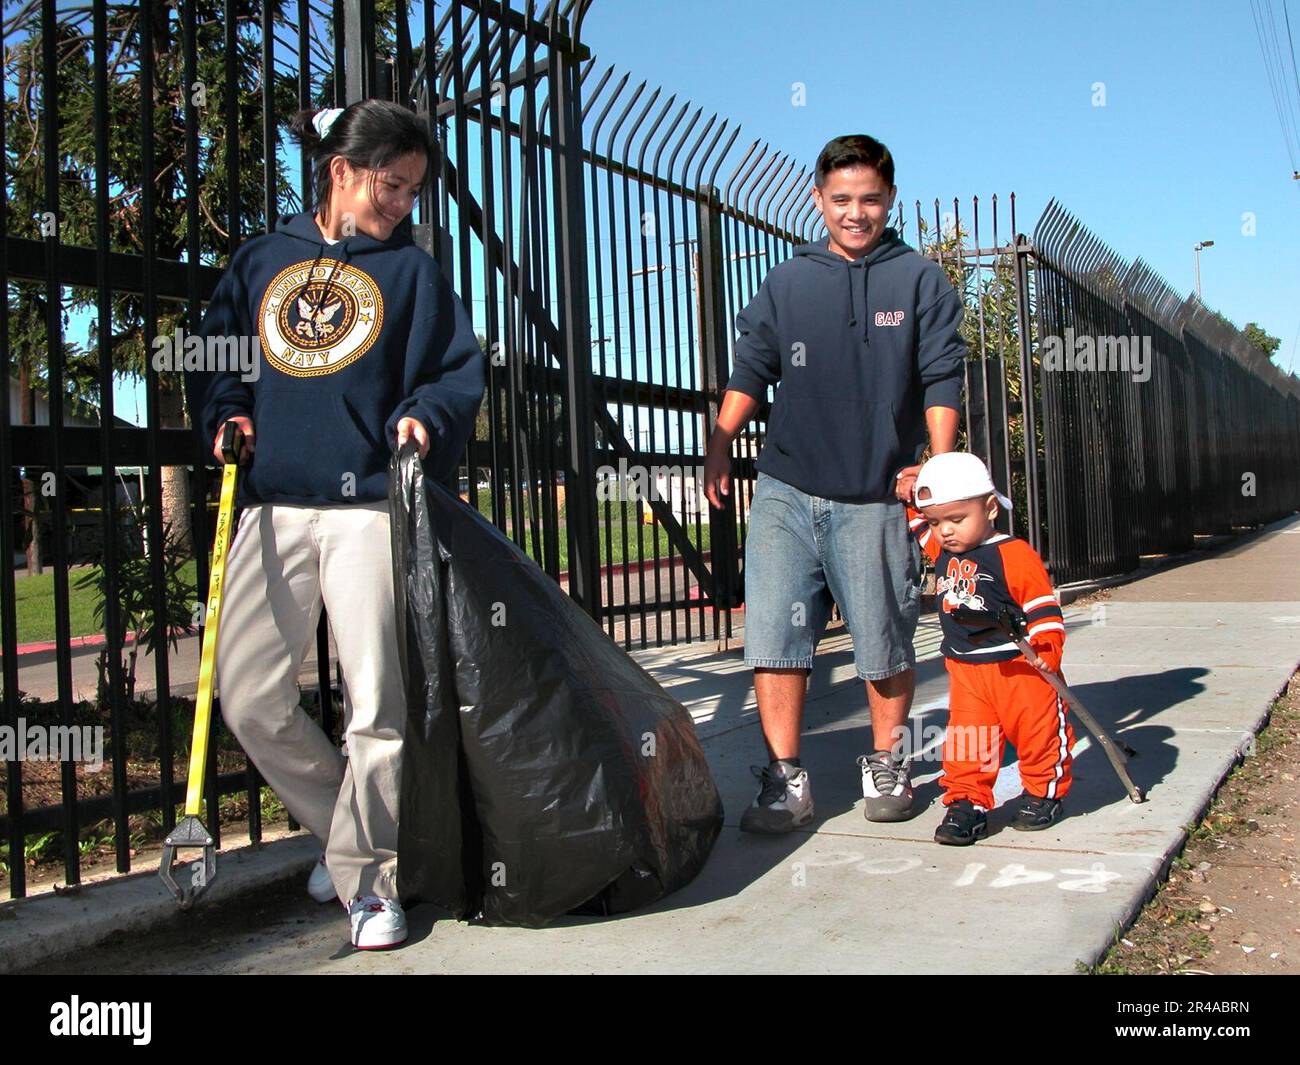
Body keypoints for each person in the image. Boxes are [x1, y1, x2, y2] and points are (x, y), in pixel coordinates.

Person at [184, 100, 485, 948]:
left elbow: (455, 370)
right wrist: (225, 413)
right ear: (341, 171)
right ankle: (342, 831)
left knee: (376, 704)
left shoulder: (414, 275)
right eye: (392, 185)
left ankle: (370, 883)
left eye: (415, 190)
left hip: (365, 512)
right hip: (272, 504)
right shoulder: (260, 260)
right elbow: (218, 355)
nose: (402, 204)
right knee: (246, 695)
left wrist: (426, 413)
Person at [703, 133, 966, 833]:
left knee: (883, 641)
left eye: (870, 199)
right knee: (774, 638)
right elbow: (751, 366)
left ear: (890, 199)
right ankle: (785, 779)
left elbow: (943, 374)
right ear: (819, 200)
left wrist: (937, 466)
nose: (857, 212)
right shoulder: (788, 282)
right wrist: (721, 442)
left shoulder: (919, 281)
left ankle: (886, 760)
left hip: (878, 494)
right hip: (787, 489)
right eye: (842, 199)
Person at [904, 452, 1074, 844]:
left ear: (990, 508)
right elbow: (917, 523)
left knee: (1038, 732)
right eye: (936, 521)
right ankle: (967, 801)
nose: (945, 530)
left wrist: (1047, 645)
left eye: (956, 519)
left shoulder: (1012, 554)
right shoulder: (945, 550)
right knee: (968, 737)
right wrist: (911, 496)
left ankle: (1042, 792)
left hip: (1020, 667)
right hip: (967, 672)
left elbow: (1041, 605)